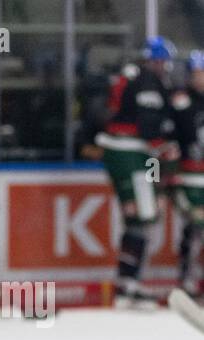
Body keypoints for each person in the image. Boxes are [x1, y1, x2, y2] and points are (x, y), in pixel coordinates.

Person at [96, 36, 177, 309]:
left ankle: (126, 284)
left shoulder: (132, 75)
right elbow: (147, 125)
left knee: (135, 217)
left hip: (124, 151)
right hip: (128, 152)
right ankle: (128, 286)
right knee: (143, 216)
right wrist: (164, 147)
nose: (166, 68)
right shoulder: (146, 81)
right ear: (155, 60)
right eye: (164, 62)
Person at [171, 51, 204, 297]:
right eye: (197, 73)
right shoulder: (180, 103)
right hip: (189, 176)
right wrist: (162, 180)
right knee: (194, 226)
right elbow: (161, 144)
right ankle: (187, 280)